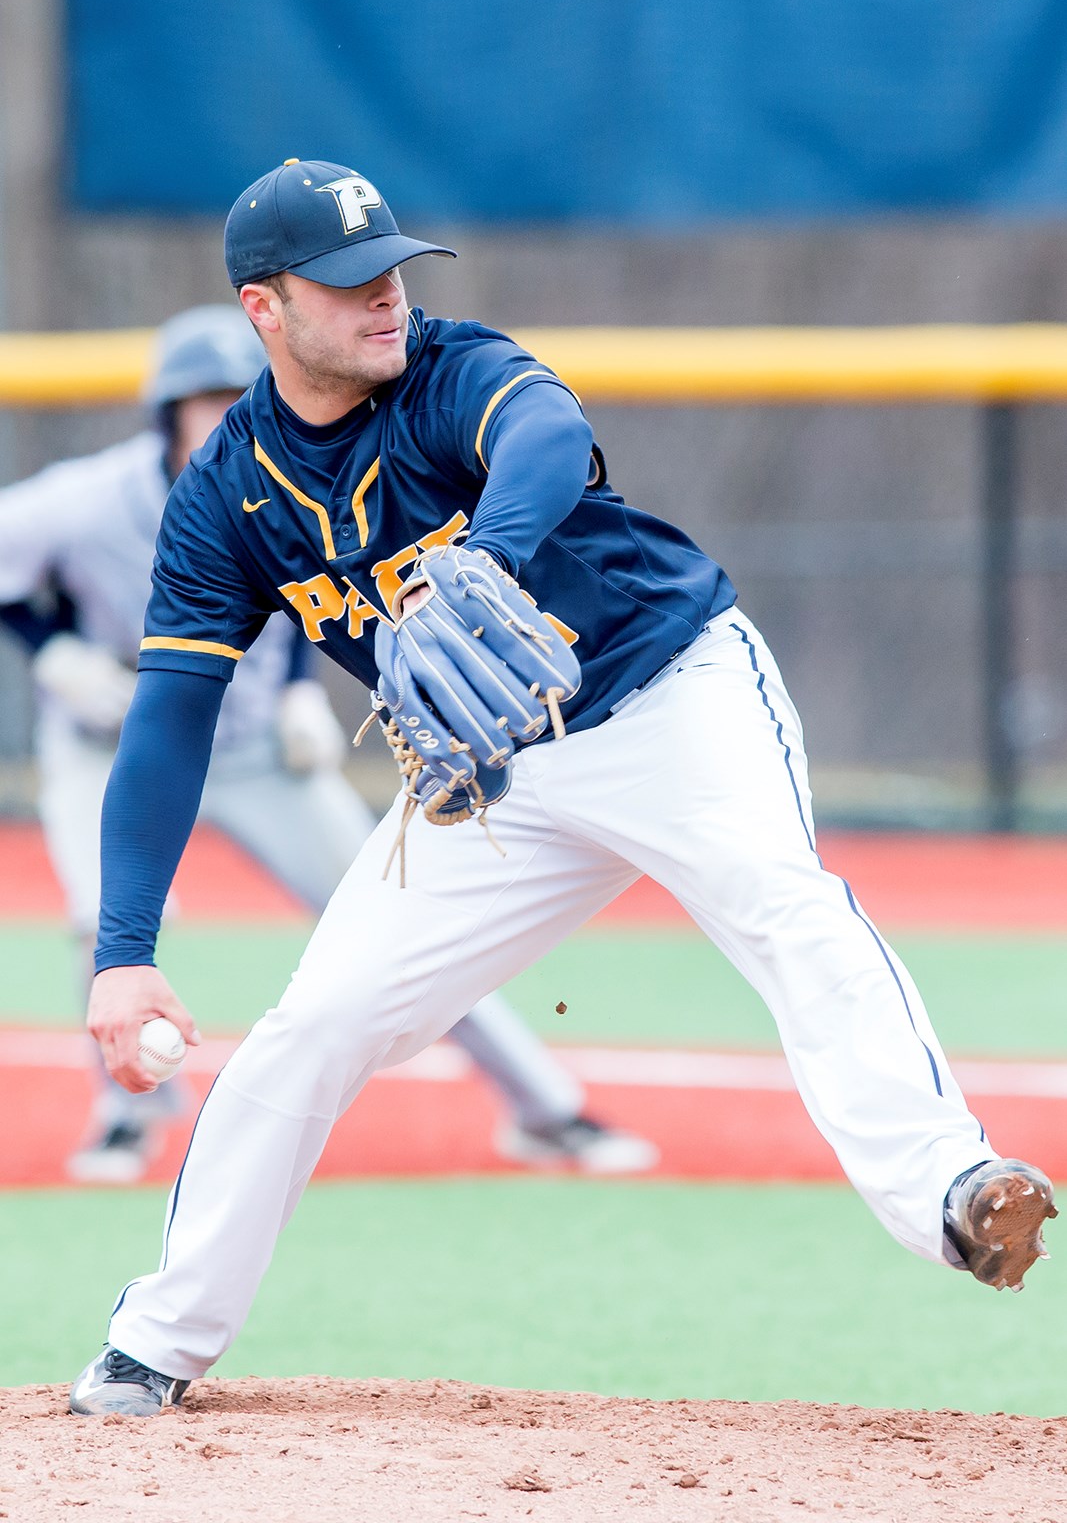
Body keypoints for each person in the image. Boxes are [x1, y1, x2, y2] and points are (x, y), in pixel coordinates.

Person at [70, 159, 1056, 1418]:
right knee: (314, 1024)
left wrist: (481, 553)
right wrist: (123, 948)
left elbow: (538, 431)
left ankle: (952, 1193)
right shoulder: (225, 497)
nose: (384, 297)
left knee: (778, 899)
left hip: (667, 695)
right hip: (491, 776)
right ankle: (157, 1339)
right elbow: (169, 717)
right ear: (265, 310)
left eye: (391, 270)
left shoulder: (450, 367)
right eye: (346, 282)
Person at [0, 304, 657, 1185]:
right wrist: (54, 648)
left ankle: (545, 1108)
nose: (223, 411)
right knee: (103, 920)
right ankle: (129, 1116)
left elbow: (318, 605)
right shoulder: (87, 501)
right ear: (164, 412)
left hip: (265, 745)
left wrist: (305, 697)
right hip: (104, 742)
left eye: (237, 392)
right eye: (202, 398)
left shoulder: (289, 485)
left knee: (413, 920)